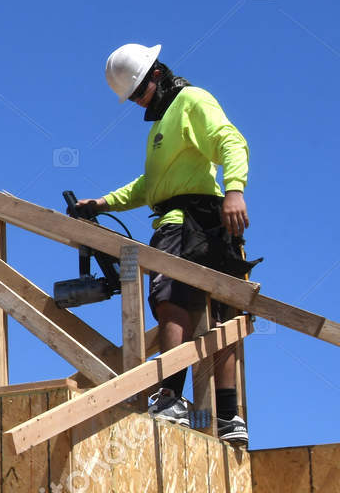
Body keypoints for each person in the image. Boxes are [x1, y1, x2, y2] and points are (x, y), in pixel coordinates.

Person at [74, 42, 252, 447]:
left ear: (157, 74)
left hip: (196, 222)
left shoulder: (191, 100)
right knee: (204, 309)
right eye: (132, 97)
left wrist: (235, 191)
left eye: (140, 92)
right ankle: (218, 414)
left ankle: (186, 400)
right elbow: (151, 186)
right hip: (194, 222)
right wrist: (102, 203)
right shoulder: (160, 126)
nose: (138, 102)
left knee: (184, 305)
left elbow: (231, 140)